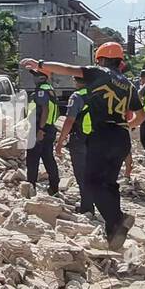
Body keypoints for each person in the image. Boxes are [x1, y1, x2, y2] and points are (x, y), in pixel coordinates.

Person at [21, 42, 143, 249]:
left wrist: (40, 64)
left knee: (92, 183)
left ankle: (119, 220)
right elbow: (141, 116)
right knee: (109, 183)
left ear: (101, 59)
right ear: (119, 61)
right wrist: (124, 126)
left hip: (102, 135)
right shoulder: (129, 85)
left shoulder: (99, 72)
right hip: (121, 137)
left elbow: (67, 69)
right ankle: (113, 233)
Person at [54, 76, 93, 215]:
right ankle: (95, 203)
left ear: (78, 82)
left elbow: (70, 121)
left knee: (82, 174)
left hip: (80, 139)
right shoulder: (99, 94)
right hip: (98, 139)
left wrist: (60, 142)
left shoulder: (76, 96)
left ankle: (87, 207)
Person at [25, 68, 60, 195]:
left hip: (40, 129)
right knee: (48, 158)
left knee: (32, 159)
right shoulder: (50, 89)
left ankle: (30, 187)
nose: (34, 78)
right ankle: (54, 187)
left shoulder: (42, 90)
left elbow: (45, 110)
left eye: (36, 75)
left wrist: (40, 129)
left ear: (43, 77)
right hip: (49, 128)